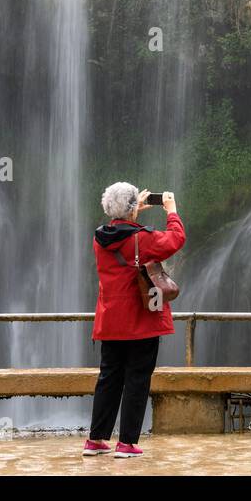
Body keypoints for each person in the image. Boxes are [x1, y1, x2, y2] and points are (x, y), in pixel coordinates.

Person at [82, 182, 185, 458]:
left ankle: (95, 440)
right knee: (137, 379)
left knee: (109, 378)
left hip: (110, 322)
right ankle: (126, 443)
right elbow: (176, 239)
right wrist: (171, 211)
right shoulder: (143, 239)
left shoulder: (99, 238)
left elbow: (121, 232)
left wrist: (131, 211)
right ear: (131, 210)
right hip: (140, 323)